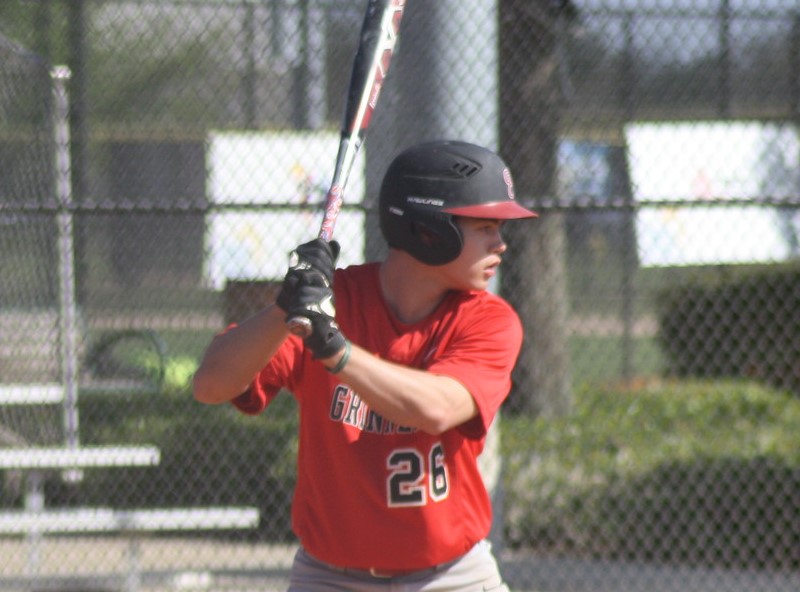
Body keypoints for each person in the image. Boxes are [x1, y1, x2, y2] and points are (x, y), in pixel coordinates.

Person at [193, 140, 537, 591]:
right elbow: (210, 386)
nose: (501, 243)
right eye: (485, 227)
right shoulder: (334, 301)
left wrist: (337, 352)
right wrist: (285, 308)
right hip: (328, 576)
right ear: (430, 230)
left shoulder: (489, 320)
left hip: (452, 576)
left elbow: (436, 408)